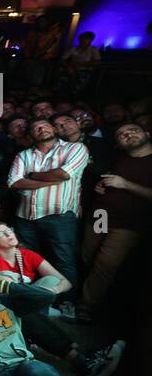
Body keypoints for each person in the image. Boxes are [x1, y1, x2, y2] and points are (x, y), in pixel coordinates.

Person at [78, 122, 152, 321]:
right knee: (88, 257)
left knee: (106, 263)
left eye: (133, 130)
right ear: (117, 143)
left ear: (146, 133)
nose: (127, 135)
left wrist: (125, 184)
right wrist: (100, 186)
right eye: (121, 134)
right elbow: (107, 179)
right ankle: (83, 298)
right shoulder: (118, 158)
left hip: (128, 223)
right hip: (101, 215)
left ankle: (86, 306)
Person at [6, 118, 87, 297]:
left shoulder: (75, 148)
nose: (40, 129)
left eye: (44, 125)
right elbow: (14, 183)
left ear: (54, 129)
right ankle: (33, 298)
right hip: (25, 216)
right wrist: (52, 180)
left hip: (59, 215)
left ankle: (65, 302)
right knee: (28, 260)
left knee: (63, 260)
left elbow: (64, 174)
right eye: (35, 128)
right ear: (30, 135)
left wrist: (33, 176)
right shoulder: (24, 155)